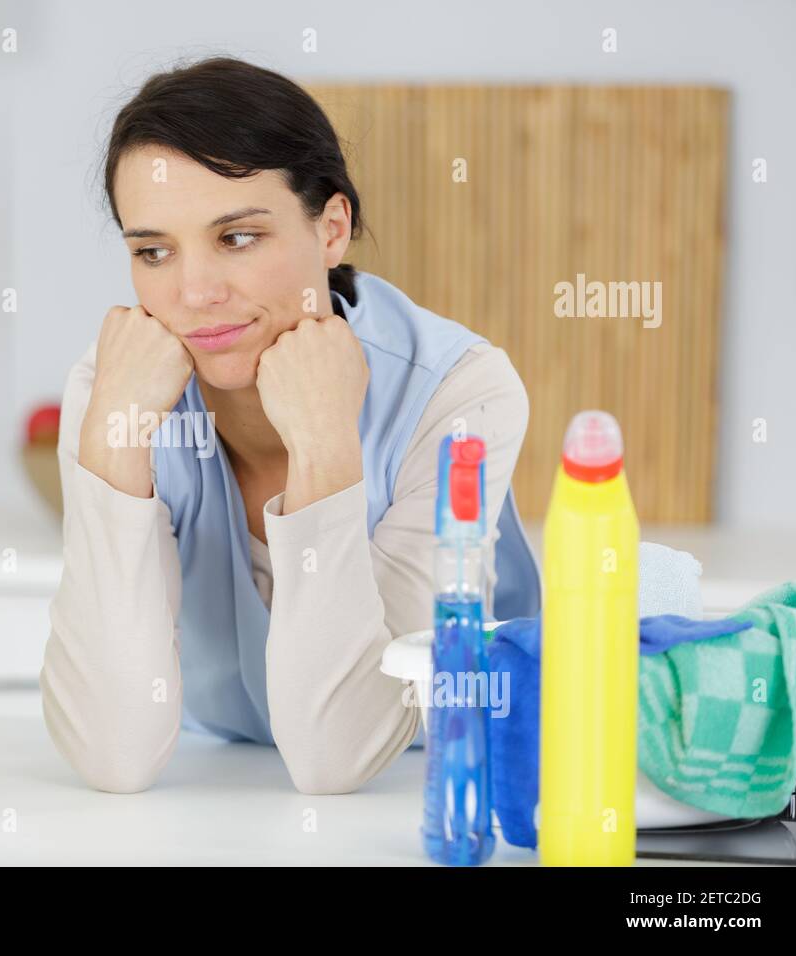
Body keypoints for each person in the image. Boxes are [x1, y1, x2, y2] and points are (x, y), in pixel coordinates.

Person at [41, 55, 536, 795]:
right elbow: (114, 753)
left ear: (331, 229)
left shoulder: (457, 393)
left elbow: (343, 755)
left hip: (429, 784)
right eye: (153, 251)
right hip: (220, 787)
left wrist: (325, 446)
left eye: (237, 237)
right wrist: (114, 435)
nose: (195, 292)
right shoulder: (117, 390)